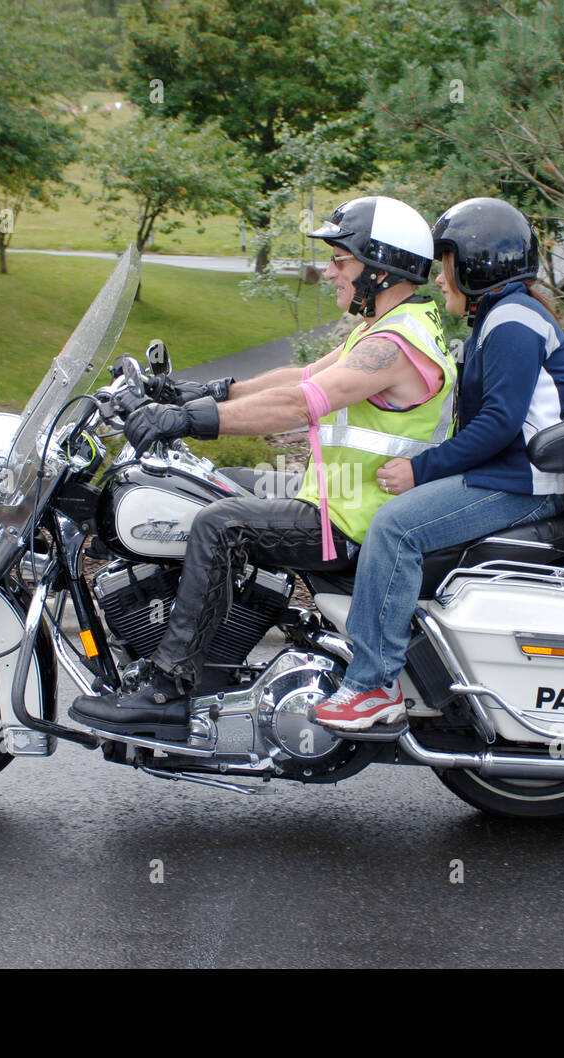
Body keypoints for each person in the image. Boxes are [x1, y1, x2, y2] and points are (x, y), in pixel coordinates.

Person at [70, 195, 460, 736]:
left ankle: (168, 688)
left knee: (219, 523)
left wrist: (187, 421)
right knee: (212, 486)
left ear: (379, 266)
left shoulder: (394, 345)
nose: (330, 273)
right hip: (336, 497)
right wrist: (193, 393)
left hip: (356, 521)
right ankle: (226, 647)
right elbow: (300, 378)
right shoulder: (389, 327)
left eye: (340, 260)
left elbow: (301, 405)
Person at [311, 197, 564, 731]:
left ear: (479, 263)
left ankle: (372, 686)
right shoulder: (505, 317)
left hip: (523, 481)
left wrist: (423, 469)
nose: (438, 277)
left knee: (395, 529)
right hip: (511, 471)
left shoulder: (513, 323)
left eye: (447, 262)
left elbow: (500, 426)